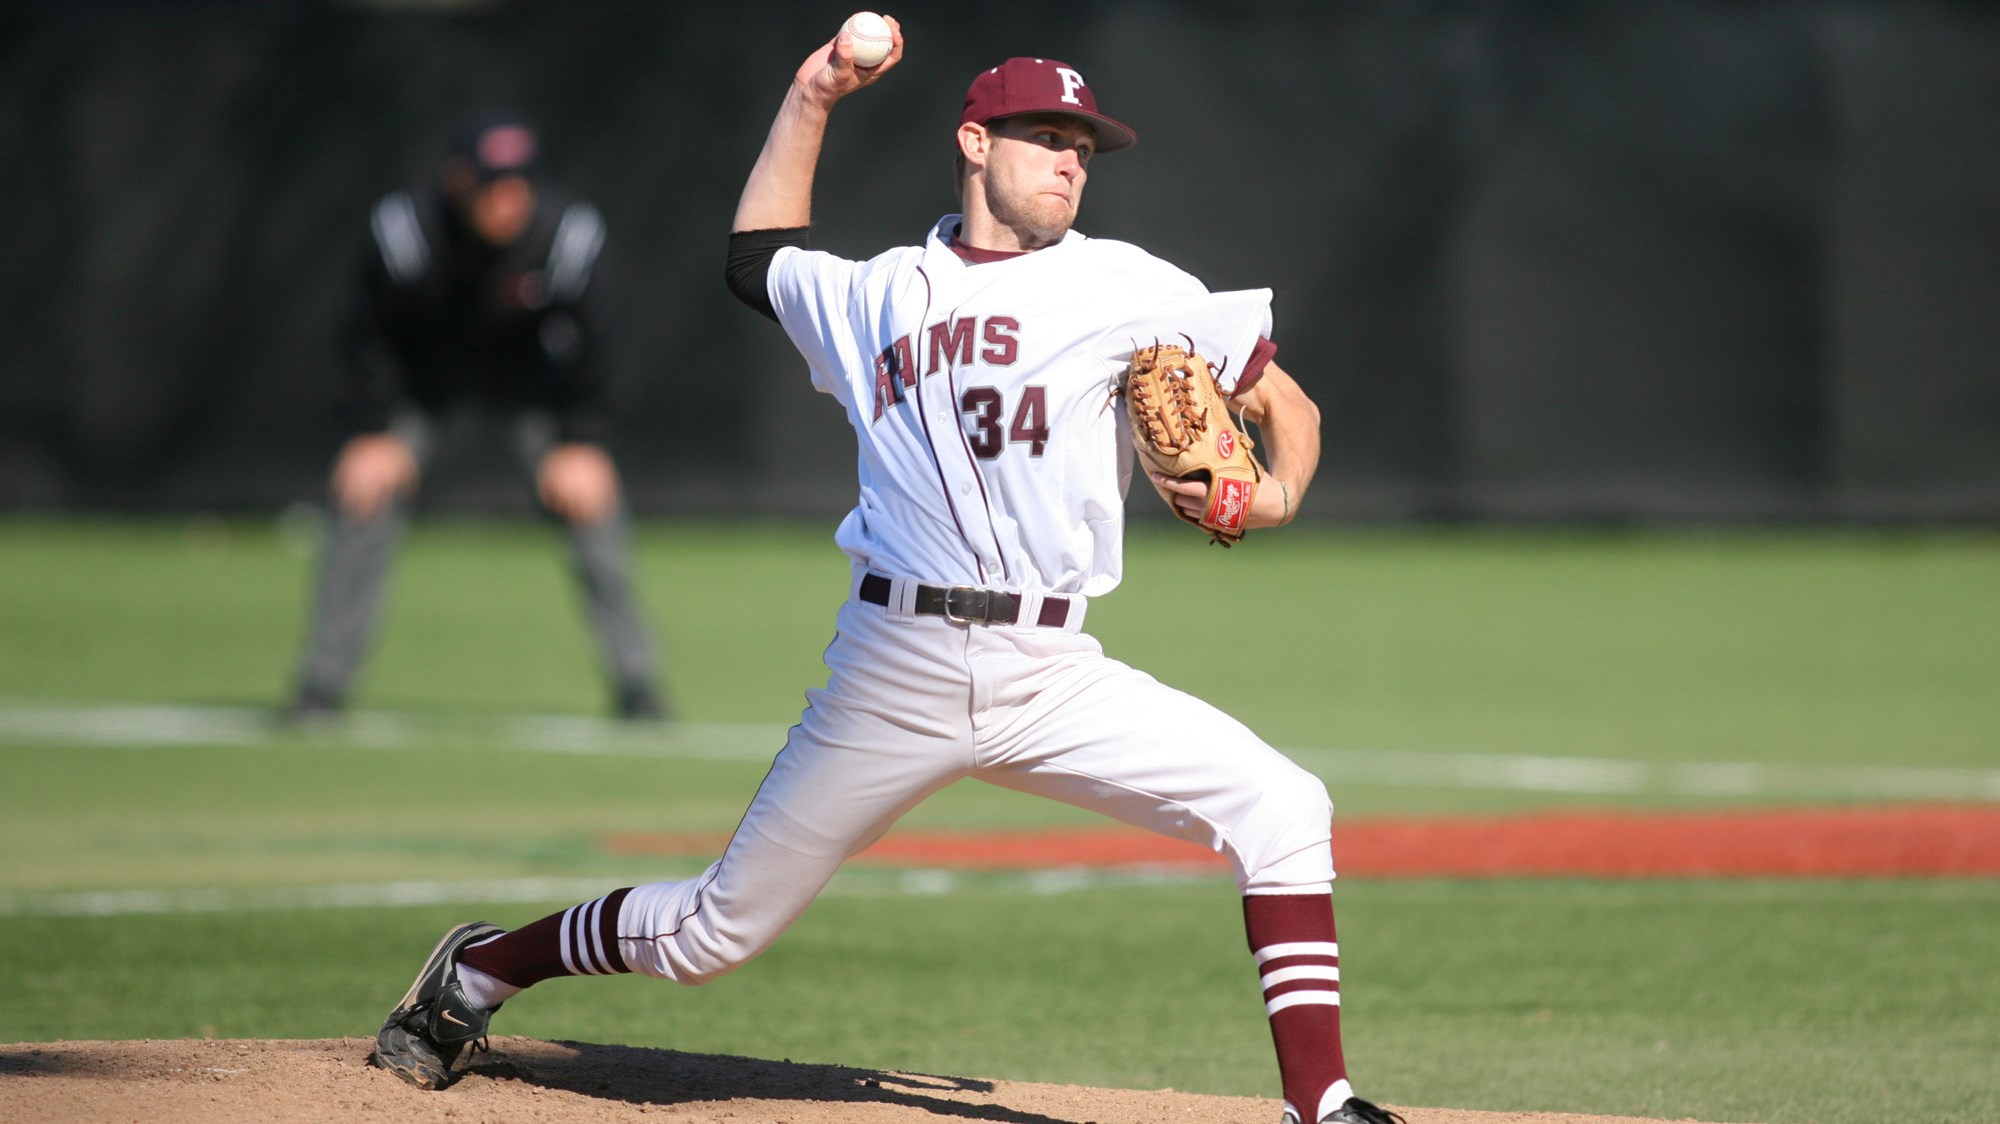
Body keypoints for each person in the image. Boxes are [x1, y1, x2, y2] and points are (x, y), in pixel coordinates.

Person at [371, 28, 1399, 1124]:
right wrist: (812, 94)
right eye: (1042, 136)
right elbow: (753, 257)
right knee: (711, 933)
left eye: (1081, 146)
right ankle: (478, 969)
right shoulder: (877, 292)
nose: (1067, 159)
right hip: (893, 665)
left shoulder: (1128, 282)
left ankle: (1321, 1101)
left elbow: (1286, 402)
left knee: (1282, 802)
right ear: (972, 142)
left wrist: (1276, 493)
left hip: (1051, 667)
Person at [288, 111, 666, 722]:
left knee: (593, 506)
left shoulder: (567, 234)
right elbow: (365, 338)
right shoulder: (405, 231)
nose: (507, 198)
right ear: (458, 181)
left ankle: (640, 687)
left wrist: (583, 441)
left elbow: (599, 348)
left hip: (530, 392)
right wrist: (370, 430)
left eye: (520, 182)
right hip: (421, 387)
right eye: (492, 183)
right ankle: (319, 688)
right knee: (362, 496)